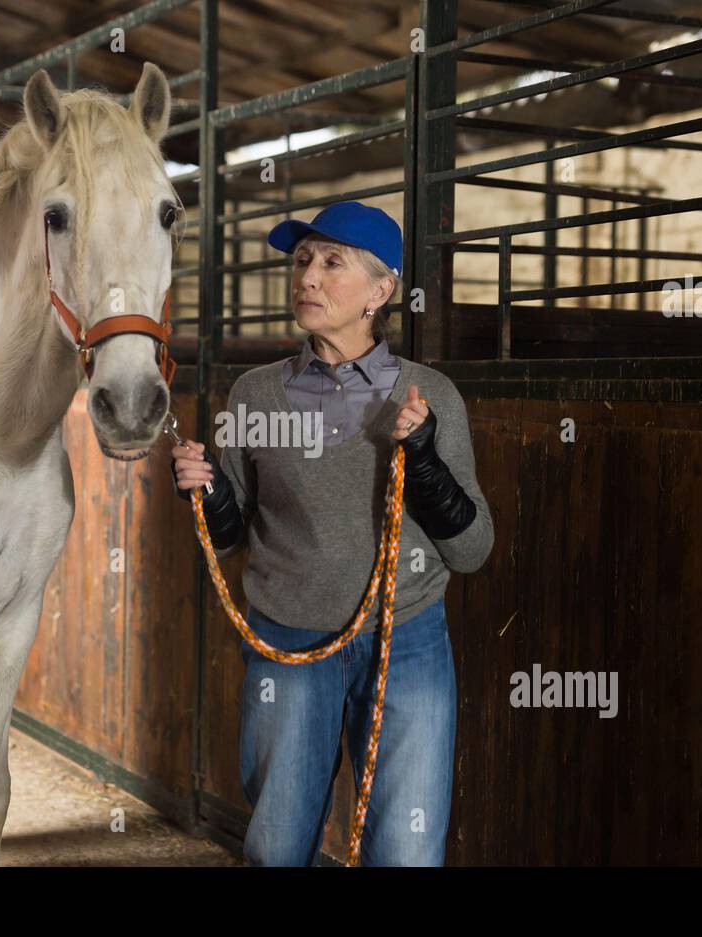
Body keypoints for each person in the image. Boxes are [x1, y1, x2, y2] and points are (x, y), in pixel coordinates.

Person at [171, 200, 494, 866]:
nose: (307, 277)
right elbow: (231, 537)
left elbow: (471, 549)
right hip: (288, 635)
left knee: (405, 850)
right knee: (280, 842)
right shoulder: (254, 395)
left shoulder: (429, 395)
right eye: (302, 260)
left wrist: (425, 460)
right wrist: (208, 493)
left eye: (331, 262)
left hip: (407, 639)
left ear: (381, 292)